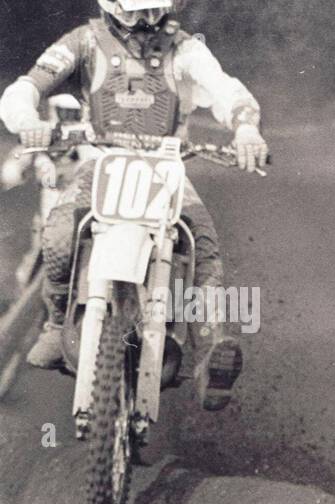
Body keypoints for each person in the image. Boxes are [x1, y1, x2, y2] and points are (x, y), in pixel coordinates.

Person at [0, 0, 267, 411]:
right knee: (58, 233)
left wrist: (246, 126)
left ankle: (210, 348)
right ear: (112, 7)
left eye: (153, 11)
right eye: (136, 13)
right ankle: (56, 324)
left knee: (204, 244)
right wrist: (26, 120)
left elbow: (225, 88)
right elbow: (27, 85)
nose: (145, 23)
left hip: (167, 170)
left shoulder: (185, 48)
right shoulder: (84, 42)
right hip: (99, 163)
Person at [1, 94, 85, 290]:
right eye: (64, 113)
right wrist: (17, 166)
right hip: (51, 205)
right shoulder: (41, 137)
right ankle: (27, 295)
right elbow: (16, 163)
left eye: (72, 113)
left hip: (79, 203)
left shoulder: (85, 138)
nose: (68, 118)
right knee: (38, 255)